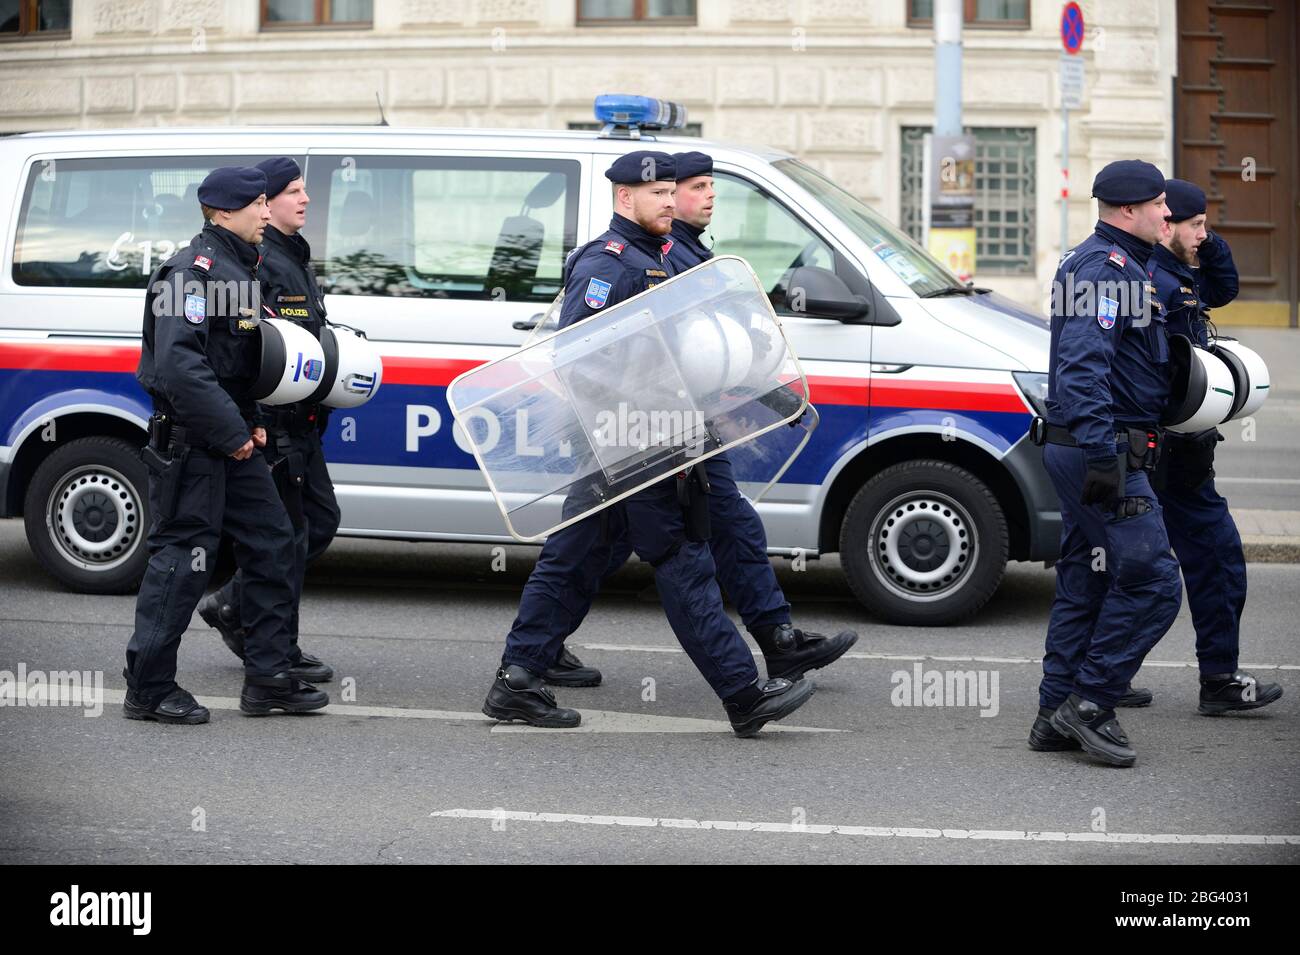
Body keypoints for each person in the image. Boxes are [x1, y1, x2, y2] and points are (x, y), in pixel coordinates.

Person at [482, 151, 818, 737]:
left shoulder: (660, 257)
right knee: (682, 561)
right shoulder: (610, 265)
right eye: (657, 193)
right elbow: (575, 360)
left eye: (671, 192)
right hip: (632, 441)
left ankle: (516, 680)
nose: (668, 202)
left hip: (658, 435)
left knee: (574, 557)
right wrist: (640, 417)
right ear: (624, 199)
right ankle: (742, 694)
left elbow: (694, 355)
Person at [540, 149, 857, 685]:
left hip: (676, 430)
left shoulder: (679, 255)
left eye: (681, 189)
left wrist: (767, 401)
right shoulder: (626, 260)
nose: (702, 196)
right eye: (687, 188)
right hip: (631, 437)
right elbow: (587, 358)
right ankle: (529, 661)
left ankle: (532, 657)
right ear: (635, 196)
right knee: (617, 551)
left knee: (702, 534)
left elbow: (715, 351)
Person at [124, 165, 328, 722]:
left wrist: (253, 419)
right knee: (184, 562)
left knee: (274, 541)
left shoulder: (240, 271)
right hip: (195, 445)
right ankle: (147, 688)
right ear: (222, 213)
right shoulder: (187, 275)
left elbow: (236, 362)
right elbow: (180, 367)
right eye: (257, 204)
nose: (268, 213)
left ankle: (268, 679)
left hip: (233, 440)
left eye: (268, 203)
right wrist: (234, 431)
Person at [1027, 159, 1182, 767]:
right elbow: (1083, 371)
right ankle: (1089, 704)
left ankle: (1052, 712)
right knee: (1153, 582)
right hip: (1102, 447)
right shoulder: (1103, 271)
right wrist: (1102, 454)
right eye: (1159, 206)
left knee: (1087, 576)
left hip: (1092, 444)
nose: (1167, 215)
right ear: (1127, 211)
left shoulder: (1117, 263)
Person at [1139, 178, 1282, 714]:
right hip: (1164, 451)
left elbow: (1222, 291)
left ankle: (1211, 678)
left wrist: (1202, 233)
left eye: (1205, 224)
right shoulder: (1152, 279)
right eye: (1195, 225)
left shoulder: (1176, 270)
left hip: (1182, 449)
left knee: (1178, 561)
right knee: (1191, 562)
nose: (1205, 235)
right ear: (1164, 223)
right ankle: (1213, 679)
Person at [197, 156, 338, 684]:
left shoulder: (292, 255)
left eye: (304, 190)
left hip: (301, 419)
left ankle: (238, 610)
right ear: (264, 202)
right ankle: (270, 643)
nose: (304, 200)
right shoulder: (261, 262)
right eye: (292, 192)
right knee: (286, 535)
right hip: (276, 424)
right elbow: (253, 347)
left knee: (310, 526)